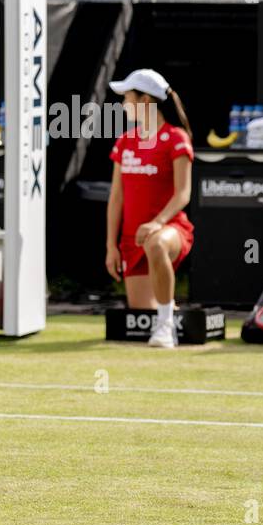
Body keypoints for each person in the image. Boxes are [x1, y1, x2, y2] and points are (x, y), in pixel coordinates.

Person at [105, 68, 195, 349]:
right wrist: (111, 245)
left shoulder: (176, 138)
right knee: (143, 314)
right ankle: (173, 319)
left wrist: (157, 223)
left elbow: (183, 193)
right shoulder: (125, 141)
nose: (123, 105)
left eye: (127, 98)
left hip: (171, 230)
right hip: (132, 240)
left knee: (156, 245)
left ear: (145, 100)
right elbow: (116, 198)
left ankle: (167, 326)